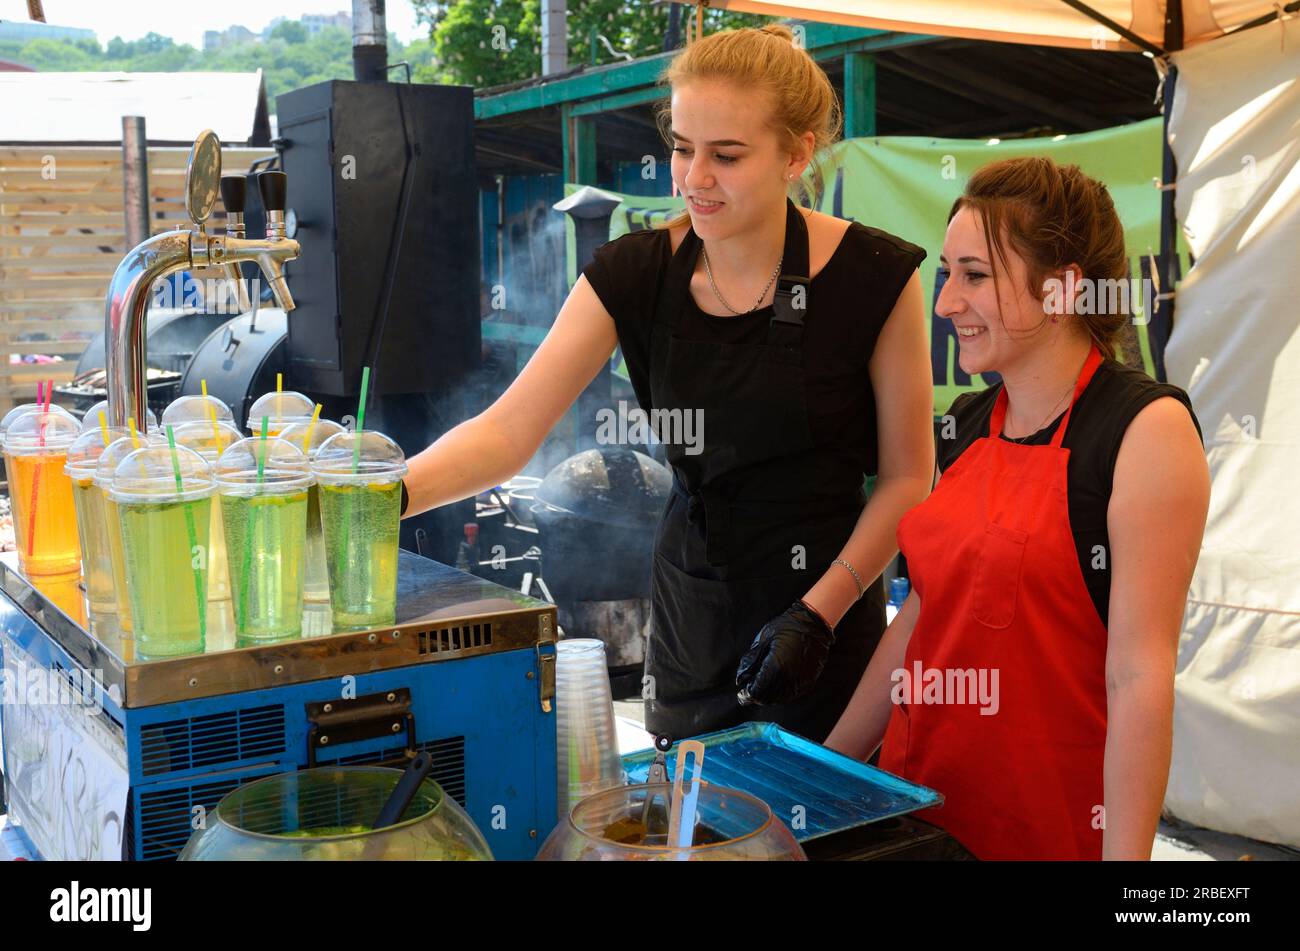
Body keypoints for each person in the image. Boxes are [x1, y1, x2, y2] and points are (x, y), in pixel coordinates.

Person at [401, 24, 934, 742]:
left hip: (828, 624)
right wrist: (378, 498)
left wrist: (819, 611)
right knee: (693, 833)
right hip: (693, 616)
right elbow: (506, 430)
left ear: (798, 151)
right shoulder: (636, 271)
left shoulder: (875, 276)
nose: (694, 178)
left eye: (727, 155)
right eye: (682, 148)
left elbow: (909, 477)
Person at [825, 156, 1211, 860]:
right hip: (919, 814)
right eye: (948, 274)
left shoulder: (1144, 430)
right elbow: (922, 618)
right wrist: (825, 775)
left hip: (1044, 830)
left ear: (1062, 290)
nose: (944, 304)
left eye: (974, 275)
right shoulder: (970, 420)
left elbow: (1139, 680)